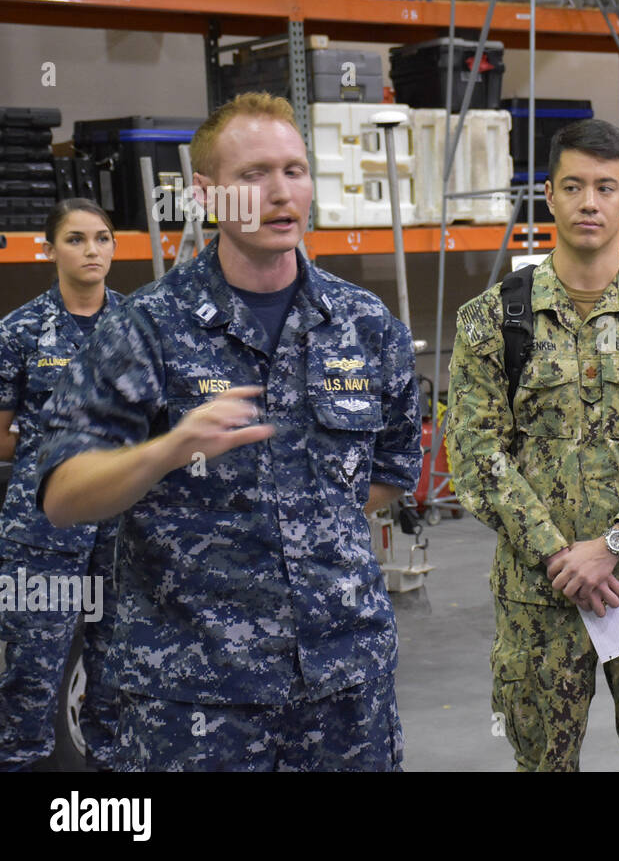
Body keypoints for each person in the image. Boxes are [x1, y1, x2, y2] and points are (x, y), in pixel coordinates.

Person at [35, 92, 422, 771]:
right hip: (190, 699)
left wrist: (290, 523)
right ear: (209, 195)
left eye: (295, 170)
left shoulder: (364, 323)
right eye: (254, 176)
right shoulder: (145, 328)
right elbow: (63, 495)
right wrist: (168, 450)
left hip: (345, 686)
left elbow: (390, 472)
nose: (281, 192)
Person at [446, 118, 619, 771]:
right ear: (548, 194)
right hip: (541, 594)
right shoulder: (496, 319)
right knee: (543, 763)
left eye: (605, 187)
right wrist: (557, 554)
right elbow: (477, 459)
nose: (589, 203)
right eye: (573, 186)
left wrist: (612, 545)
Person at [0, 199, 123, 770]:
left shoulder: (139, 325)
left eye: (101, 238)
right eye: (76, 239)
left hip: (124, 525)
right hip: (45, 529)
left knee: (121, 661)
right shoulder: (19, 331)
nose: (91, 250)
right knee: (33, 666)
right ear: (51, 249)